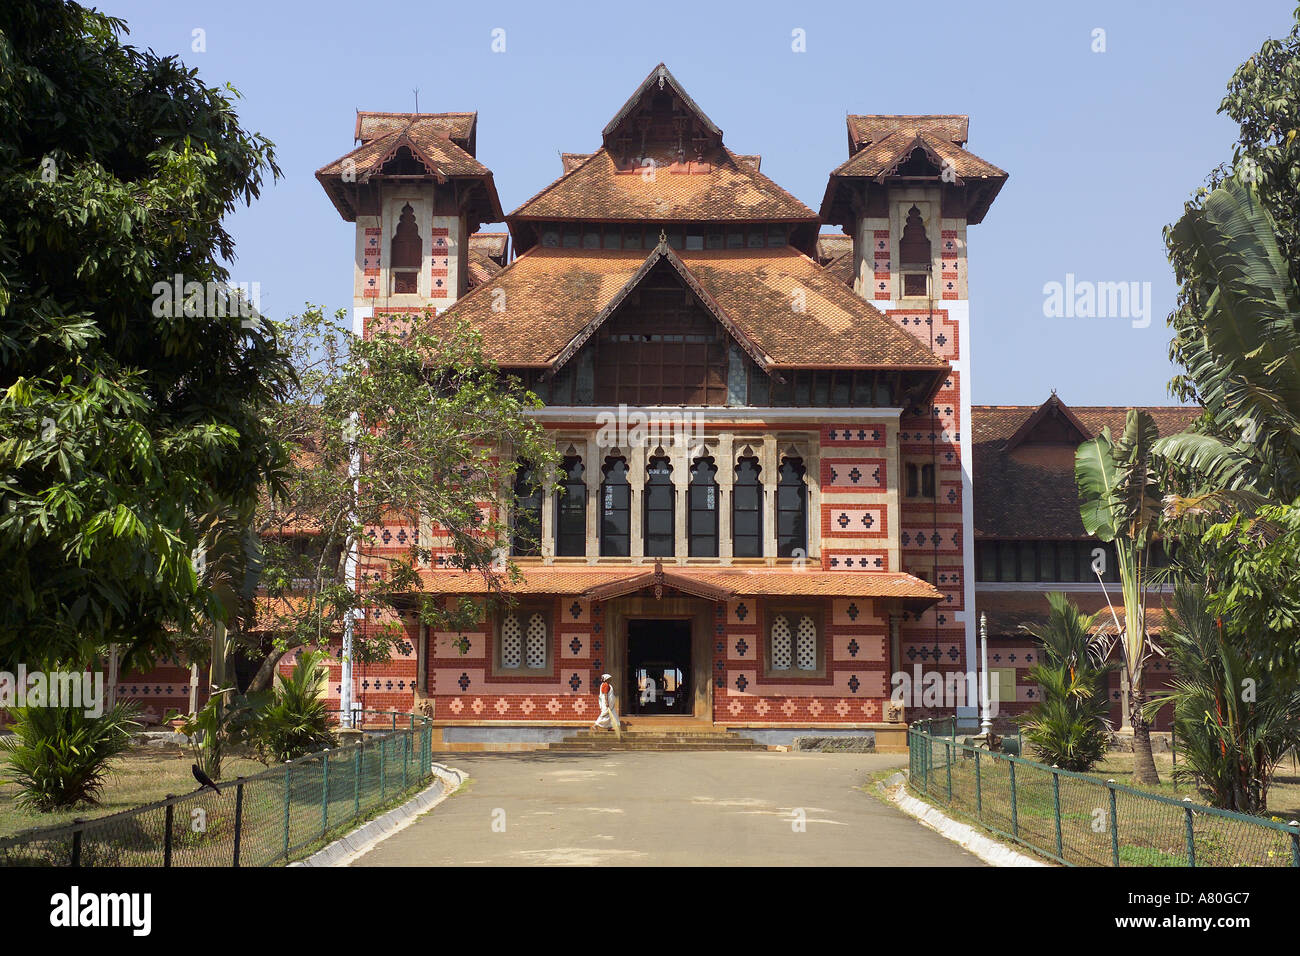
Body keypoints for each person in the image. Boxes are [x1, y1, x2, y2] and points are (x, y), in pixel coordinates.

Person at [593, 672, 620, 737]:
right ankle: (596, 725)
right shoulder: (606, 685)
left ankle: (610, 726)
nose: (610, 680)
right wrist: (607, 702)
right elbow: (605, 694)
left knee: (612, 715)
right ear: (606, 679)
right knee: (604, 714)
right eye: (609, 679)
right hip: (607, 704)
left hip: (610, 705)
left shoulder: (605, 684)